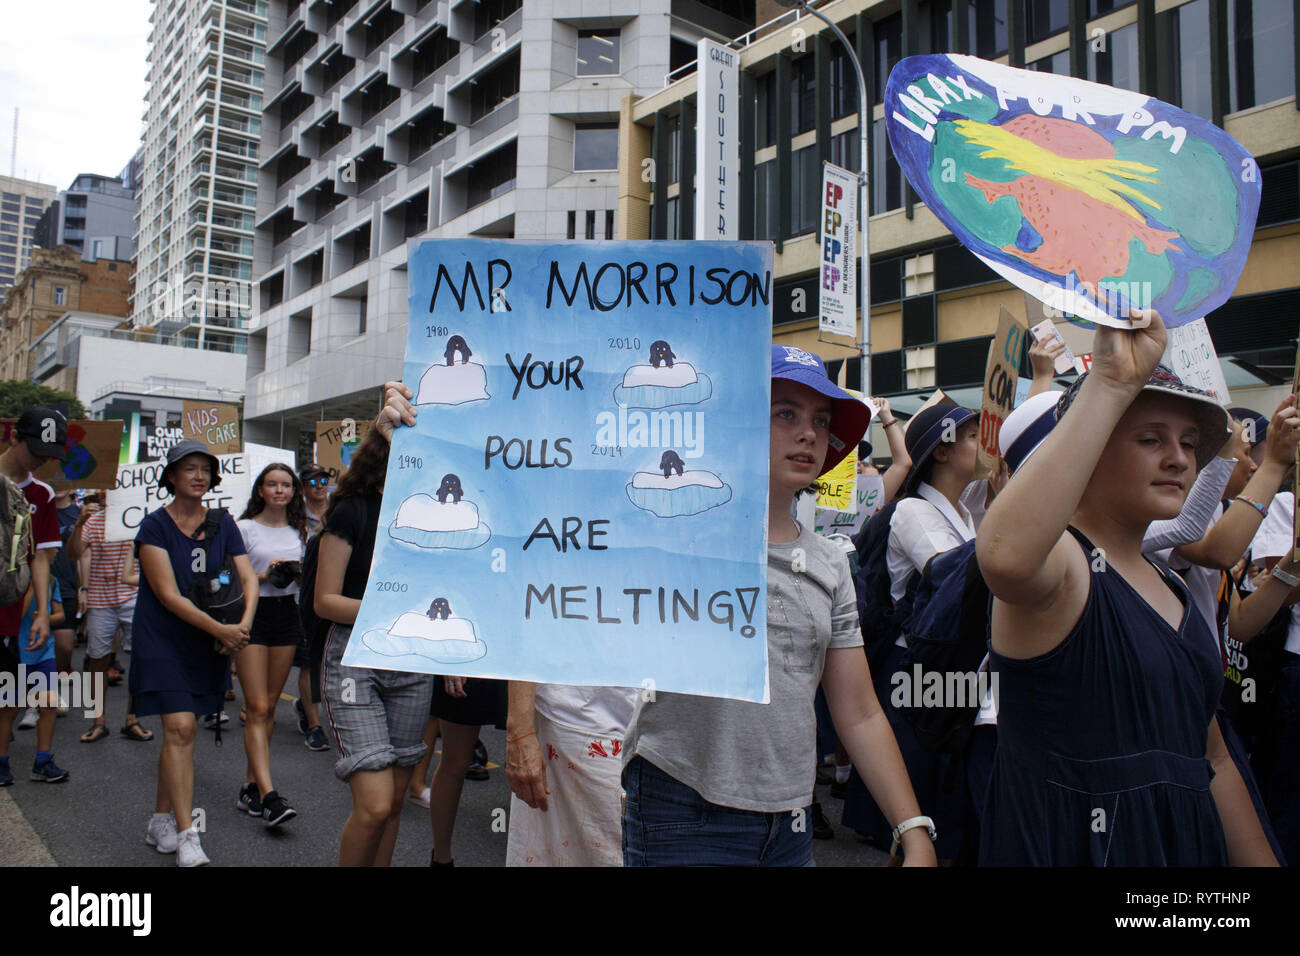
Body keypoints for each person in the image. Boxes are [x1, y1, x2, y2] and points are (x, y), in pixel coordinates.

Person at [975, 300, 1277, 865]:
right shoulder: (1064, 565)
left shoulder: (1173, 584)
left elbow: (1211, 757)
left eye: (1190, 443)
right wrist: (1111, 383)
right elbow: (1004, 556)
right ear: (1090, 447)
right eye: (1150, 439)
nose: (1179, 459)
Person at [616, 346, 936, 866]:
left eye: (820, 419)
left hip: (791, 823)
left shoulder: (831, 563)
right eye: (785, 413)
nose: (808, 433)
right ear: (739, 420)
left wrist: (912, 826)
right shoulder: (675, 535)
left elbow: (857, 710)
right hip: (681, 811)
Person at [841, 400, 982, 859]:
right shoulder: (913, 513)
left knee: (947, 792)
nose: (985, 445)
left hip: (950, 669)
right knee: (920, 797)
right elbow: (952, 574)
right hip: (917, 673)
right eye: (973, 436)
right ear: (941, 452)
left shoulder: (963, 511)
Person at [131, 440, 258, 867]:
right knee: (182, 728)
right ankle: (188, 836)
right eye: (189, 468)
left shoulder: (224, 524)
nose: (199, 475)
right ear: (170, 476)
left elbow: (248, 579)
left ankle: (160, 820)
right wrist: (222, 629)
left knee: (178, 736)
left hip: (209, 641)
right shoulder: (153, 527)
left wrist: (241, 628)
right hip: (163, 639)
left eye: (206, 469)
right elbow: (168, 596)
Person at [316, 425, 434, 866]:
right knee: (376, 805)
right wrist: (393, 610)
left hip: (413, 661)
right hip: (353, 661)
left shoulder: (432, 515)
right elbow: (325, 601)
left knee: (396, 803)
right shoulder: (351, 511)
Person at [234, 463, 309, 827]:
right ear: (260, 490)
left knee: (269, 710)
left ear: (293, 491)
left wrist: (296, 572)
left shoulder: (301, 530)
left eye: (286, 485)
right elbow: (230, 575)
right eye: (272, 484)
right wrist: (266, 574)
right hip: (252, 612)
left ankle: (250, 785)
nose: (280, 490)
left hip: (286, 614)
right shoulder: (244, 528)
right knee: (258, 705)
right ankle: (268, 795)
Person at [0, 407, 69, 787]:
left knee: (9, 693)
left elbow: (42, 556)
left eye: (50, 452)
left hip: (14, 611)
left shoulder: (40, 494)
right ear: (14, 437)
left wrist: (43, 611)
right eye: (37, 449)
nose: (42, 459)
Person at [68, 493, 149, 742]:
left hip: (135, 594)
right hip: (101, 598)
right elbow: (74, 554)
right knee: (97, 660)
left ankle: (132, 718)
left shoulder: (142, 516)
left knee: (140, 657)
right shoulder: (94, 521)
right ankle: (98, 721)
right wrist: (80, 523)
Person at [1, 578, 68, 783]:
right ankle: (2, 763)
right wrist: (31, 589)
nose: (55, 551)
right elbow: (14, 618)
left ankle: (43, 761)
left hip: (43, 652)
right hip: (15, 651)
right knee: (9, 709)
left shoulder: (52, 581)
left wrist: (46, 617)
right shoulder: (13, 579)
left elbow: (60, 615)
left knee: (48, 705)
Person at [293, 463, 331, 752]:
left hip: (334, 595)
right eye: (312, 481)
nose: (319, 485)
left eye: (324, 479)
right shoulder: (293, 518)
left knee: (330, 662)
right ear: (303, 487)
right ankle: (314, 724)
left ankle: (307, 706)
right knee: (308, 661)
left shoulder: (339, 510)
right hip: (302, 598)